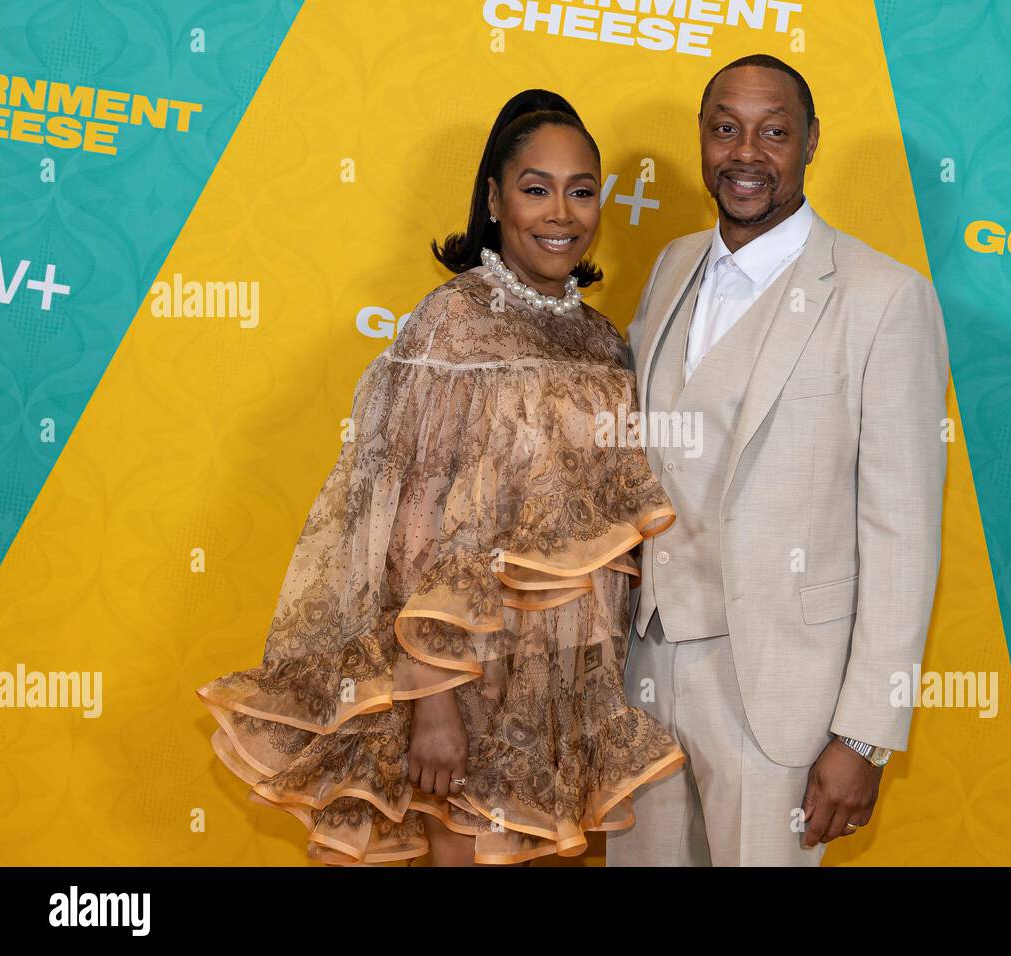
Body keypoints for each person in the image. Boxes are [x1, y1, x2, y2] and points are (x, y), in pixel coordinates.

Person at [196, 89, 685, 866]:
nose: (561, 212)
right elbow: (407, 528)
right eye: (536, 189)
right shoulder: (451, 325)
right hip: (466, 674)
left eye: (581, 190)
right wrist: (431, 705)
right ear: (494, 200)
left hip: (560, 677)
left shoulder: (601, 341)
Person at [605, 54, 950, 867]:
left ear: (811, 142)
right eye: (726, 129)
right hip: (644, 669)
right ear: (701, 139)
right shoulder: (671, 265)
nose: (746, 154)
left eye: (773, 132)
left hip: (782, 694)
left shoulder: (885, 298)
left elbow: (905, 534)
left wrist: (864, 737)